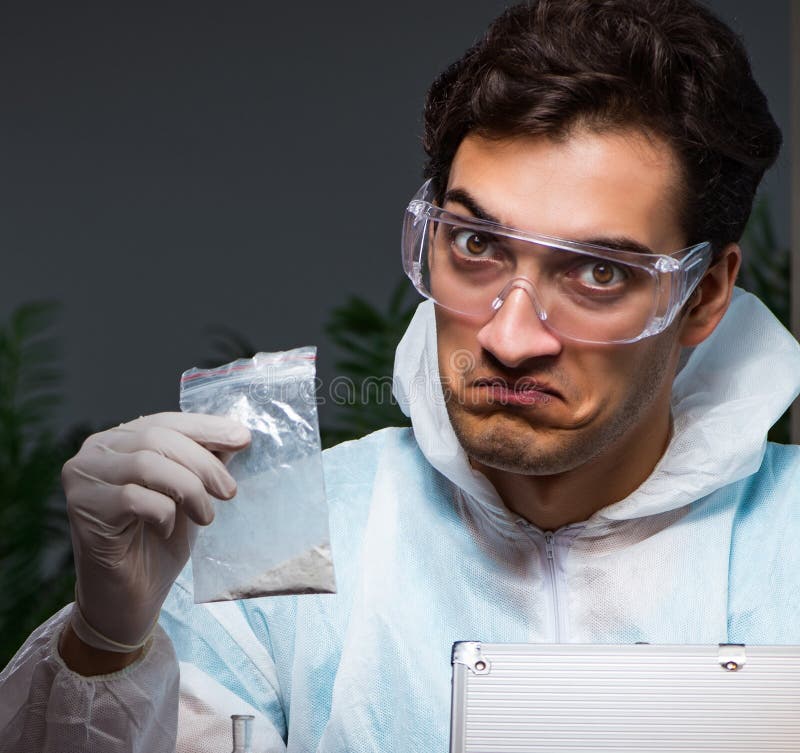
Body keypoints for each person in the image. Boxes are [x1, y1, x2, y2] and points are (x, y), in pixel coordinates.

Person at [2, 0, 799, 751]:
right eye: (476, 245)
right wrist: (106, 646)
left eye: (598, 272)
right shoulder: (285, 534)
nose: (509, 338)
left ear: (703, 296)